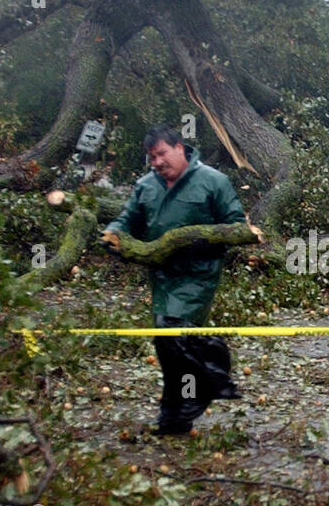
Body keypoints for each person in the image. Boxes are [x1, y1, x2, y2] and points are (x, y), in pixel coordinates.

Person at [102, 125, 246, 434]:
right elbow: (128, 220)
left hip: (198, 275)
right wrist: (114, 234)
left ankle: (210, 380)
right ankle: (174, 417)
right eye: (151, 157)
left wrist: (200, 240)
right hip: (161, 277)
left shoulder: (213, 181)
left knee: (172, 332)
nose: (156, 162)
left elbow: (236, 226)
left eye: (162, 154)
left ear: (180, 148)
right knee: (168, 346)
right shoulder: (145, 186)